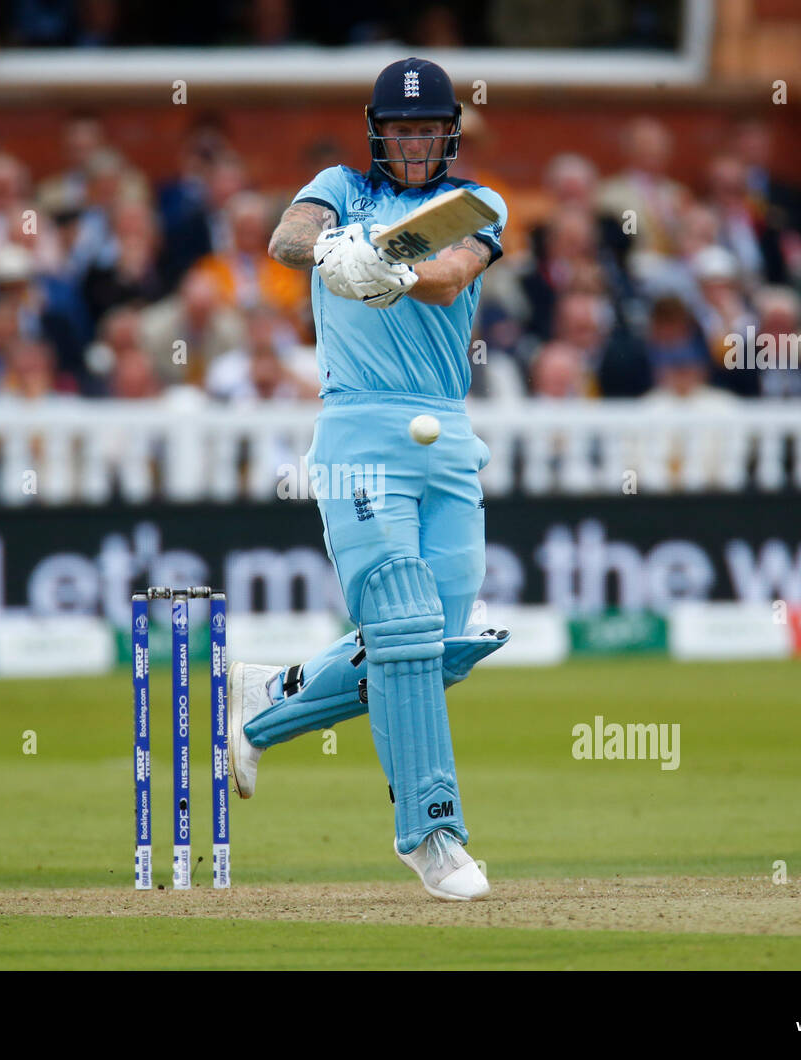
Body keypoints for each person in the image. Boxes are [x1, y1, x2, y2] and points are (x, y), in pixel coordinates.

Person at [225, 58, 509, 901]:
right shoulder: (341, 188)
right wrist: (337, 249)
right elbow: (285, 238)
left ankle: (260, 705)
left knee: (440, 648)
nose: (415, 143)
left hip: (445, 437)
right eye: (401, 129)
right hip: (357, 433)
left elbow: (454, 270)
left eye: (429, 130)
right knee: (407, 625)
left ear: (449, 133)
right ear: (377, 131)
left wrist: (396, 273)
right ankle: (433, 832)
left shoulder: (475, 204)